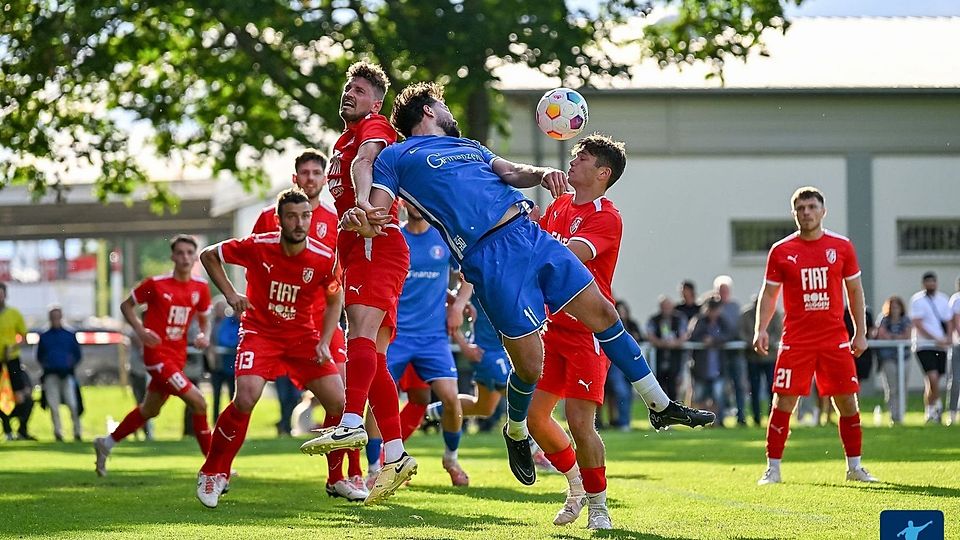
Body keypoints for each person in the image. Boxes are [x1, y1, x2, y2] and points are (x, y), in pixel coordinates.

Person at [348, 80, 713, 487]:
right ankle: (516, 430)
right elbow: (376, 213)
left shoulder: (469, 145)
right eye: (444, 104)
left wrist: (541, 173)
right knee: (530, 365)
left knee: (606, 314)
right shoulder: (396, 157)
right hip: (488, 259)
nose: (450, 111)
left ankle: (659, 404)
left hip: (528, 234)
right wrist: (363, 215)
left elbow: (509, 170)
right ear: (430, 110)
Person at [298, 61, 416, 505]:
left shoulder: (375, 126)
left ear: (376, 101)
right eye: (347, 87)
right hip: (357, 245)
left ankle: (351, 421)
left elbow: (368, 162)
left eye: (360, 88)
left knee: (360, 337)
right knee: (376, 356)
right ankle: (396, 453)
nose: (349, 93)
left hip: (375, 241)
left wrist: (364, 205)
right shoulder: (341, 138)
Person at [195, 187, 344, 508]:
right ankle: (213, 471)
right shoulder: (257, 246)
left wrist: (323, 340)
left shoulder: (323, 258)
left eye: (305, 216)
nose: (299, 223)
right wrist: (232, 294)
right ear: (278, 220)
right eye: (291, 217)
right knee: (246, 396)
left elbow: (335, 298)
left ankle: (337, 479)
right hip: (260, 332)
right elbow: (208, 255)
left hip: (302, 337)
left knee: (339, 402)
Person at [526, 134, 632, 530]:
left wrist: (529, 235)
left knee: (579, 422)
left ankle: (600, 506)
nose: (573, 162)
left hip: (588, 334)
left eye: (582, 158)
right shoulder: (558, 207)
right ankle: (576, 488)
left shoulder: (607, 215)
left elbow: (566, 257)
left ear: (603, 173)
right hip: (551, 330)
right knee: (534, 418)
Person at [254, 149, 364, 498]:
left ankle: (348, 474)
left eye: (318, 172)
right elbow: (255, 267)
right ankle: (218, 468)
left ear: (325, 180)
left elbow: (340, 277)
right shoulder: (269, 220)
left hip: (325, 324)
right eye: (306, 173)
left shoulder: (335, 223)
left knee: (347, 399)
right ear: (295, 179)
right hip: (279, 325)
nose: (312, 178)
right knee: (248, 394)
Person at [753, 186, 877, 485]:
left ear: (823, 211)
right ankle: (773, 469)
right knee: (783, 402)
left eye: (811, 207)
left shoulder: (842, 247)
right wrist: (761, 329)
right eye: (800, 208)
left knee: (847, 402)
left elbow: (855, 291)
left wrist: (860, 332)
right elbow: (769, 295)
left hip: (834, 339)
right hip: (796, 340)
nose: (806, 212)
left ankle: (855, 467)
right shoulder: (781, 251)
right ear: (794, 214)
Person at [94, 235, 212, 476]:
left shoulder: (200, 287)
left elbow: (204, 317)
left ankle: (106, 443)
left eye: (190, 253)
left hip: (177, 358)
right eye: (180, 253)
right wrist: (140, 330)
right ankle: (215, 467)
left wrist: (203, 335)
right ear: (172, 256)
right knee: (199, 402)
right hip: (157, 356)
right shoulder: (156, 284)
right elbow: (126, 305)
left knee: (150, 410)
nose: (185, 258)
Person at [384, 202, 472, 486]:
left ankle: (451, 458)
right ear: (403, 202)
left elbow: (468, 273)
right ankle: (379, 467)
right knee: (381, 401)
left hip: (433, 338)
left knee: (450, 398)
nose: (416, 205)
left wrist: (457, 304)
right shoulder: (393, 237)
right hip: (396, 335)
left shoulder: (443, 236)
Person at [909, 271, 953, 424]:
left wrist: (947, 337)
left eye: (933, 281)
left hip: (941, 346)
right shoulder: (917, 300)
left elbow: (948, 321)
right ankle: (937, 406)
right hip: (924, 345)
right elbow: (918, 324)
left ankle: (930, 409)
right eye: (928, 282)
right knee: (932, 376)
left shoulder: (943, 300)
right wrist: (936, 339)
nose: (931, 285)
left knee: (933, 380)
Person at [37, 305, 83, 442]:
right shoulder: (45, 336)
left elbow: (77, 355)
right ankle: (58, 432)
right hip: (51, 375)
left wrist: (70, 365)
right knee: (53, 405)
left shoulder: (69, 335)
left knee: (73, 404)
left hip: (67, 374)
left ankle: (77, 431)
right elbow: (40, 356)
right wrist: (48, 366)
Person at [739, 294, 781, 426]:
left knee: (772, 388)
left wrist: (766, 343)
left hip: (770, 357)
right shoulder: (746, 315)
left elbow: (778, 331)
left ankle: (771, 416)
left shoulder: (775, 314)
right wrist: (753, 343)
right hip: (753, 358)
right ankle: (756, 417)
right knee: (754, 389)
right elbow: (742, 332)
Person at [0, 282, 34, 441]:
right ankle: (7, 430)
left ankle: (22, 429)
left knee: (21, 396)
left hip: (12, 360)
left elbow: (25, 338)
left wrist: (12, 347)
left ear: (5, 295)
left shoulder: (14, 314)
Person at [874, 296, 911, 425]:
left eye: (897, 306)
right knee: (892, 387)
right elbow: (882, 334)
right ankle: (893, 415)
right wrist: (896, 338)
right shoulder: (884, 320)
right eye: (892, 306)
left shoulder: (905, 320)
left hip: (904, 357)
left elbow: (907, 335)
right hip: (888, 358)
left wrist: (893, 338)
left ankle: (901, 414)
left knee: (902, 387)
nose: (895, 309)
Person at [645, 296, 687, 402]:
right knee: (659, 388)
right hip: (659, 360)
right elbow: (649, 334)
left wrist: (674, 344)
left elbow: (685, 335)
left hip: (675, 359)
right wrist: (661, 343)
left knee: (674, 387)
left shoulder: (679, 319)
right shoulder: (654, 319)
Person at [210, 300, 239, 423]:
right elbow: (224, 340)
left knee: (233, 397)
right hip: (221, 366)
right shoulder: (227, 322)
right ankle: (216, 422)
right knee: (217, 395)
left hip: (234, 367)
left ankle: (231, 422)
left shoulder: (243, 322)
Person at [949, 276, 960, 425]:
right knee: (956, 380)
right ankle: (952, 413)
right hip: (958, 345)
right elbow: (957, 323)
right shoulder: (957, 299)